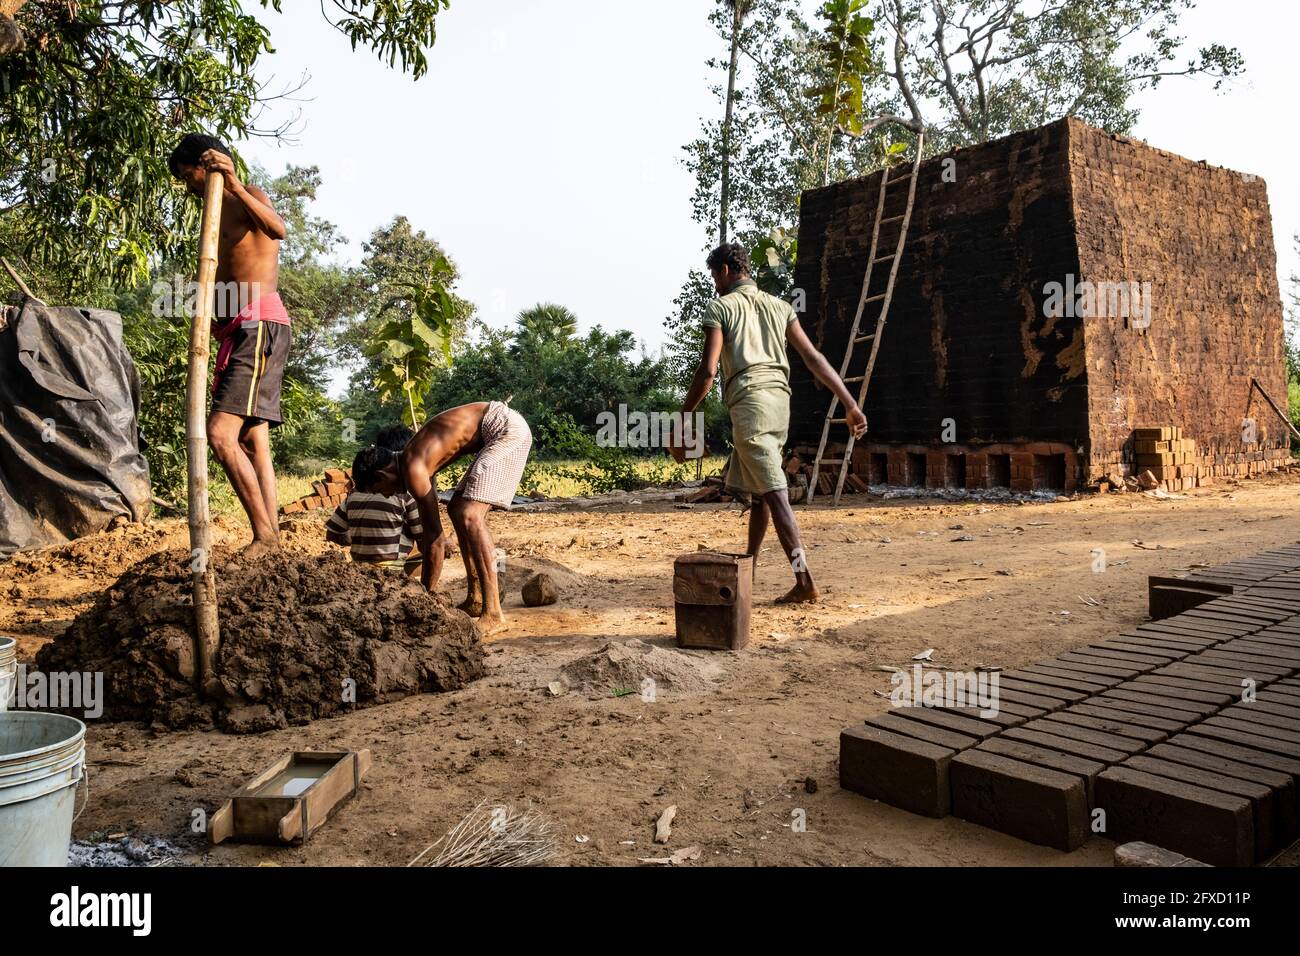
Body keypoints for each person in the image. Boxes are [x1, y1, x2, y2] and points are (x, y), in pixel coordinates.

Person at [673, 242, 867, 604]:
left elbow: (708, 371)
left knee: (776, 495)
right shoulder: (781, 307)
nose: (714, 283)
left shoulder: (720, 307)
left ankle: (804, 580)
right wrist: (849, 402)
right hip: (780, 405)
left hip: (750, 406)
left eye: (714, 276)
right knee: (761, 495)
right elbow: (813, 357)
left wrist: (684, 417)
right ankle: (750, 568)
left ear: (726, 271)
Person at [169, 132, 289, 559]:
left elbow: (278, 230)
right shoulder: (212, 215)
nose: (189, 187)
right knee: (253, 441)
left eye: (189, 177)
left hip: (258, 325)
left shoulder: (247, 195)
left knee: (220, 435)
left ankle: (265, 537)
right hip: (236, 332)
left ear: (207, 165)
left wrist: (235, 184)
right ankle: (270, 536)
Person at [381, 401, 533, 633]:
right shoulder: (413, 459)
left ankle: (493, 613)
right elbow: (433, 536)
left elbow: (436, 540)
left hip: (506, 429)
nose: (387, 494)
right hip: (501, 428)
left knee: (470, 514)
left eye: (381, 489)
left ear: (382, 474)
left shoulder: (413, 469)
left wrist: (425, 597)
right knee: (456, 509)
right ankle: (477, 598)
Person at [325, 445, 423, 575]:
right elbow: (423, 538)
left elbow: (332, 533)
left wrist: (360, 537)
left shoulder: (352, 495)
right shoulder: (405, 497)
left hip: (357, 570)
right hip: (391, 570)